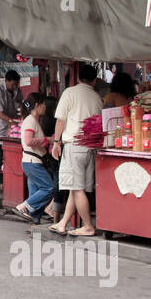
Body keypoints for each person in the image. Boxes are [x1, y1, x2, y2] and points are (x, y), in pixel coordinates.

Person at [50, 63, 104, 236]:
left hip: (74, 146)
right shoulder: (96, 97)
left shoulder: (70, 93)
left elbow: (60, 120)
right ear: (95, 80)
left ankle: (88, 226)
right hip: (90, 148)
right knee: (76, 187)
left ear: (78, 77)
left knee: (77, 188)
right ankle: (63, 223)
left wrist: (56, 142)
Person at [14, 95, 55, 223]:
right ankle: (23, 207)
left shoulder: (33, 120)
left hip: (32, 162)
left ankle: (34, 219)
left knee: (35, 191)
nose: (45, 107)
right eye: (43, 104)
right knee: (49, 188)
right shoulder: (30, 121)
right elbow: (28, 140)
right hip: (32, 162)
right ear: (36, 105)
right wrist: (47, 140)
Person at [0, 70, 23, 187]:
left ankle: (11, 179)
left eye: (16, 85)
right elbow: (0, 114)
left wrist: (24, 113)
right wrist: (12, 122)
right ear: (6, 81)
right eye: (12, 84)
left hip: (11, 128)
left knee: (10, 156)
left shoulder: (17, 91)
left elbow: (22, 105)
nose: (14, 87)